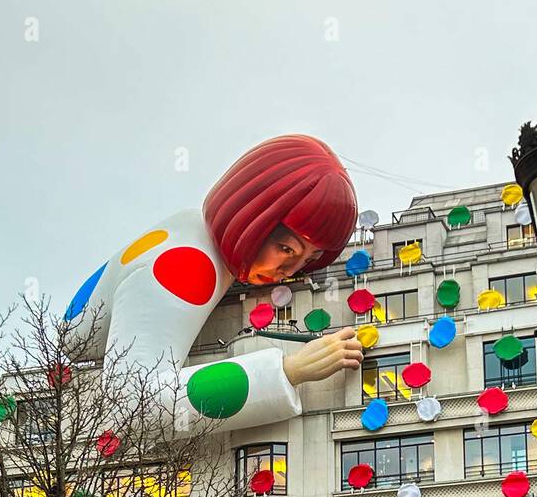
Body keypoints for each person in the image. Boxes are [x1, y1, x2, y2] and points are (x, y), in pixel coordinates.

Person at [65, 134, 363, 433]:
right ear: (252, 219)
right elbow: (130, 404)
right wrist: (287, 371)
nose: (291, 270)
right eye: (286, 249)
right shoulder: (186, 269)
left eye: (309, 258)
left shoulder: (190, 225)